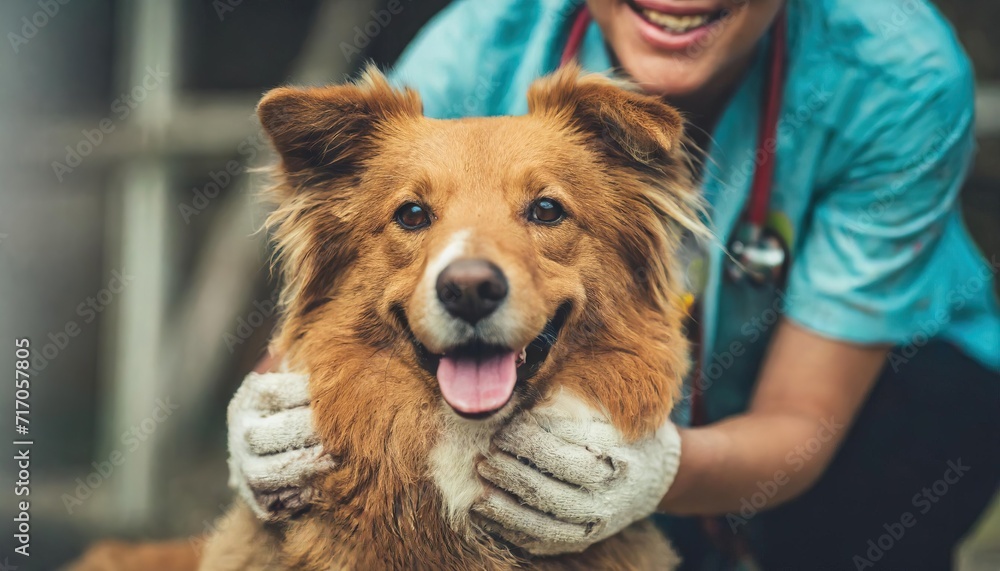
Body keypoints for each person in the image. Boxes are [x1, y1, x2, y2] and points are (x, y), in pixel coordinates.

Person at [226, 1, 1000, 569]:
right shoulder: (476, 44)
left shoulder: (898, 74)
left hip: (877, 392)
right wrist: (266, 407)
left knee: (867, 496)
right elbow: (341, 285)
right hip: (619, 394)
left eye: (545, 209)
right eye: (416, 212)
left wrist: (656, 472)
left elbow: (802, 421)